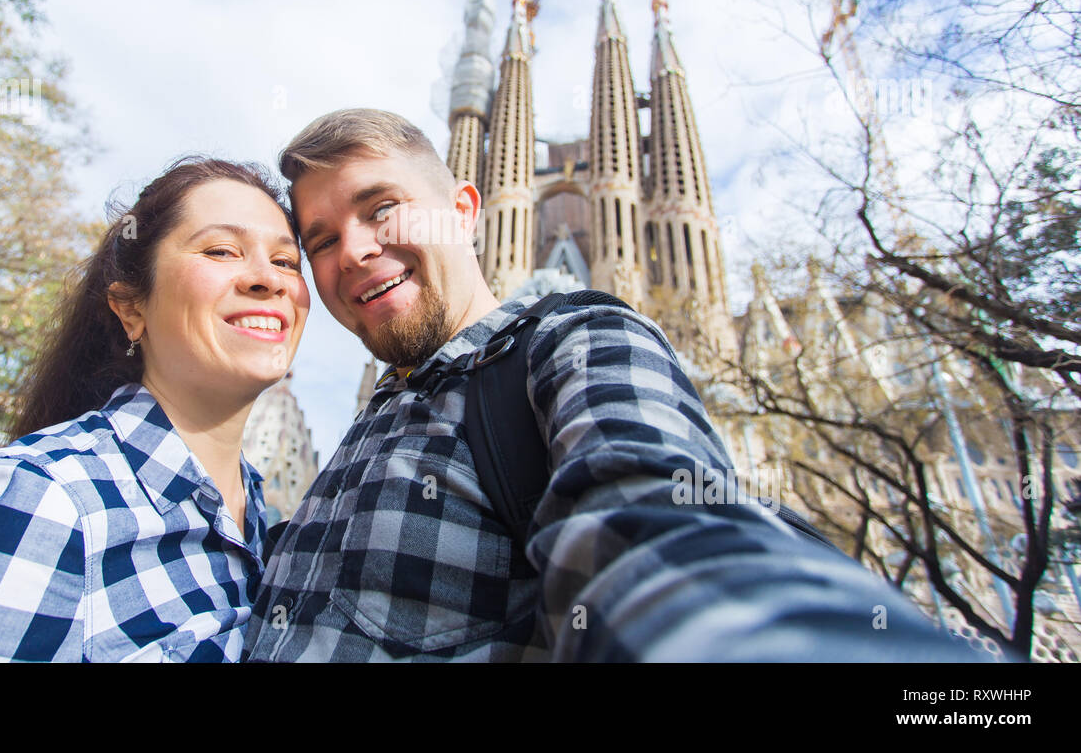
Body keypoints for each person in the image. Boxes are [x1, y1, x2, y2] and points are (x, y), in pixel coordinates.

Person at [244, 108, 988, 662]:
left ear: (467, 212)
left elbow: (651, 521)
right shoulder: (364, 431)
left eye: (383, 209)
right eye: (324, 241)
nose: (359, 250)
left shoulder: (567, 344)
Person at [0, 157, 309, 662]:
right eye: (221, 250)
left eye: (286, 261)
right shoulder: (46, 498)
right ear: (132, 309)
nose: (269, 278)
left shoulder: (263, 525)